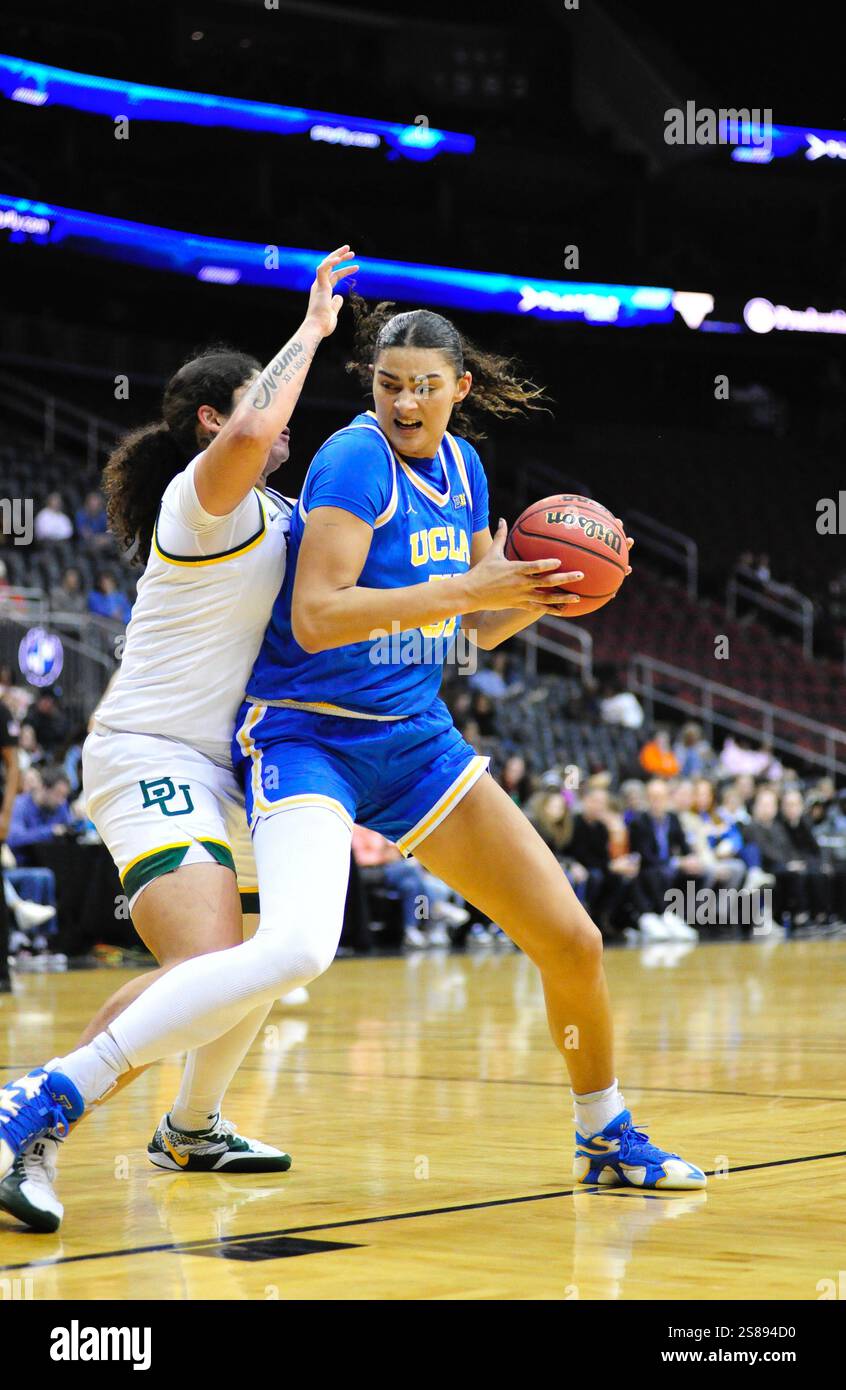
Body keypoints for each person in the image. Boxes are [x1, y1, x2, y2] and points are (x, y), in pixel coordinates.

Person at [1, 297, 705, 1199]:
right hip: (307, 738)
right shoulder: (350, 459)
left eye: (424, 387)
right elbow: (318, 617)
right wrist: (464, 586)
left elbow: (482, 628)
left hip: (415, 744)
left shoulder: (465, 468)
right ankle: (51, 1096)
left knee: (570, 937)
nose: (405, 403)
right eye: (387, 384)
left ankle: (605, 1135)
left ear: (462, 388)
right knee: (282, 951)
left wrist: (549, 589)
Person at [0, 246, 357, 1230]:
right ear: (214, 419)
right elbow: (255, 423)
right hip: (151, 750)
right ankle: (30, 1114)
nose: (277, 422)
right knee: (207, 958)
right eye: (255, 405)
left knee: (258, 954)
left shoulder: (283, 512)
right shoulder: (203, 500)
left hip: (230, 764)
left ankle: (192, 1125)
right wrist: (313, 331)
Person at [627, 778, 701, 940]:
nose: (657, 802)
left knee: (698, 871)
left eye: (661, 797)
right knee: (656, 872)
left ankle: (682, 918)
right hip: (649, 867)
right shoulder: (638, 822)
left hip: (670, 865)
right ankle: (664, 915)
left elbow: (683, 844)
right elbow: (645, 855)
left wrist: (690, 858)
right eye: (653, 797)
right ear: (647, 799)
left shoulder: (672, 818)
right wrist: (676, 862)